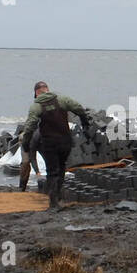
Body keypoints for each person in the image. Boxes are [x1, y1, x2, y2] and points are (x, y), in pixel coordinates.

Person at [18, 81, 93, 209]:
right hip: (65, 140)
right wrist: (85, 122)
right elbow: (79, 107)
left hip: (49, 142)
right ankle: (58, 196)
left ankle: (53, 202)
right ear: (47, 89)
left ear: (36, 93)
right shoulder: (62, 99)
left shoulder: (36, 106)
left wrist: (25, 142)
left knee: (52, 171)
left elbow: (30, 126)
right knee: (62, 167)